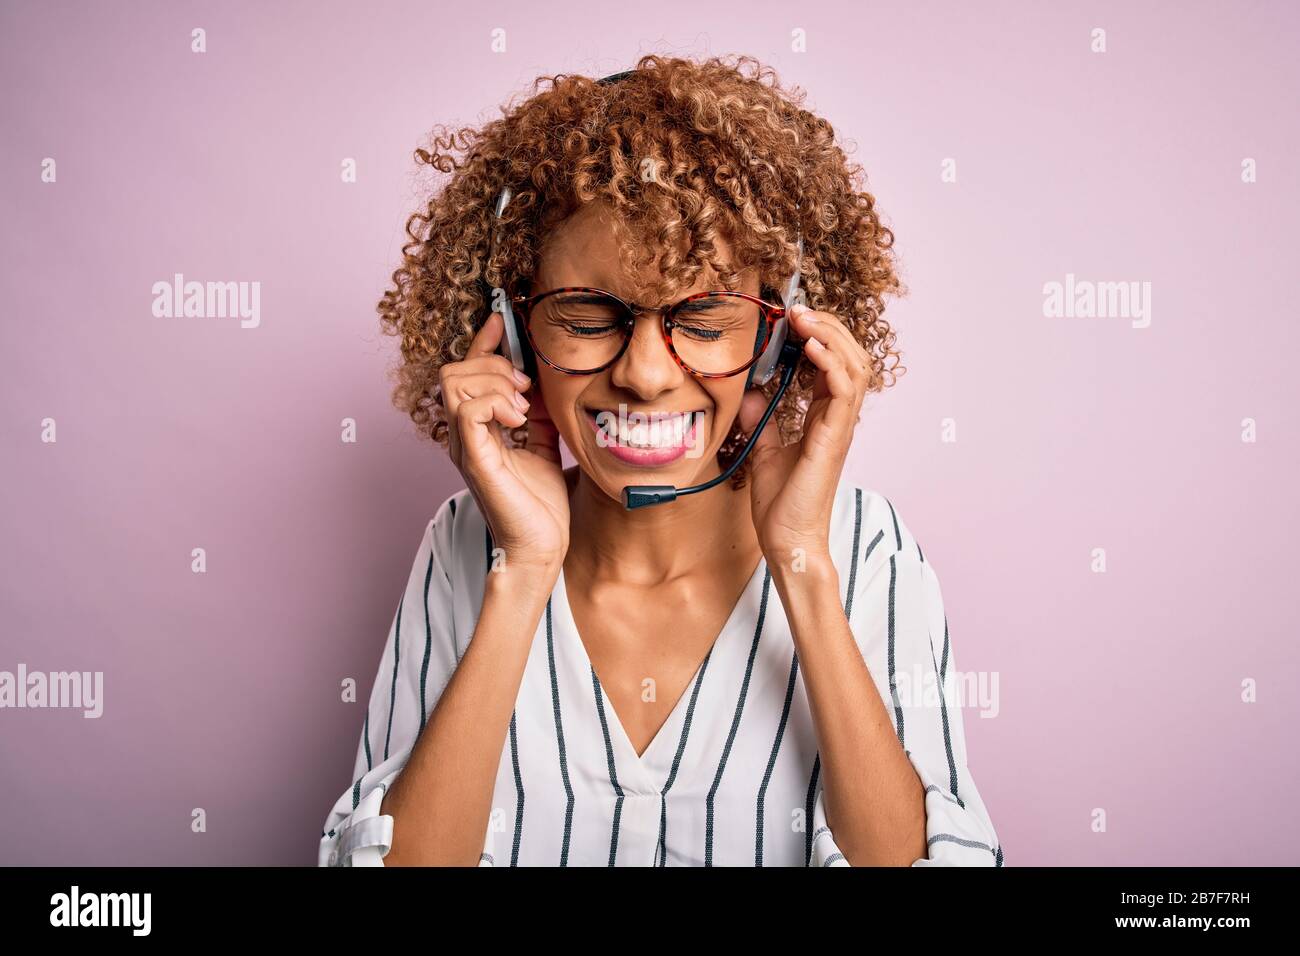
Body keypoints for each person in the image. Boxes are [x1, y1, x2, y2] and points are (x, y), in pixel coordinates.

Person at [318, 54, 1001, 867]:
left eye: (706, 314)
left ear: (778, 336)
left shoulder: (868, 551)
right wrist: (525, 568)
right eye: (583, 311)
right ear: (514, 328)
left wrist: (803, 562)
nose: (644, 374)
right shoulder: (465, 545)